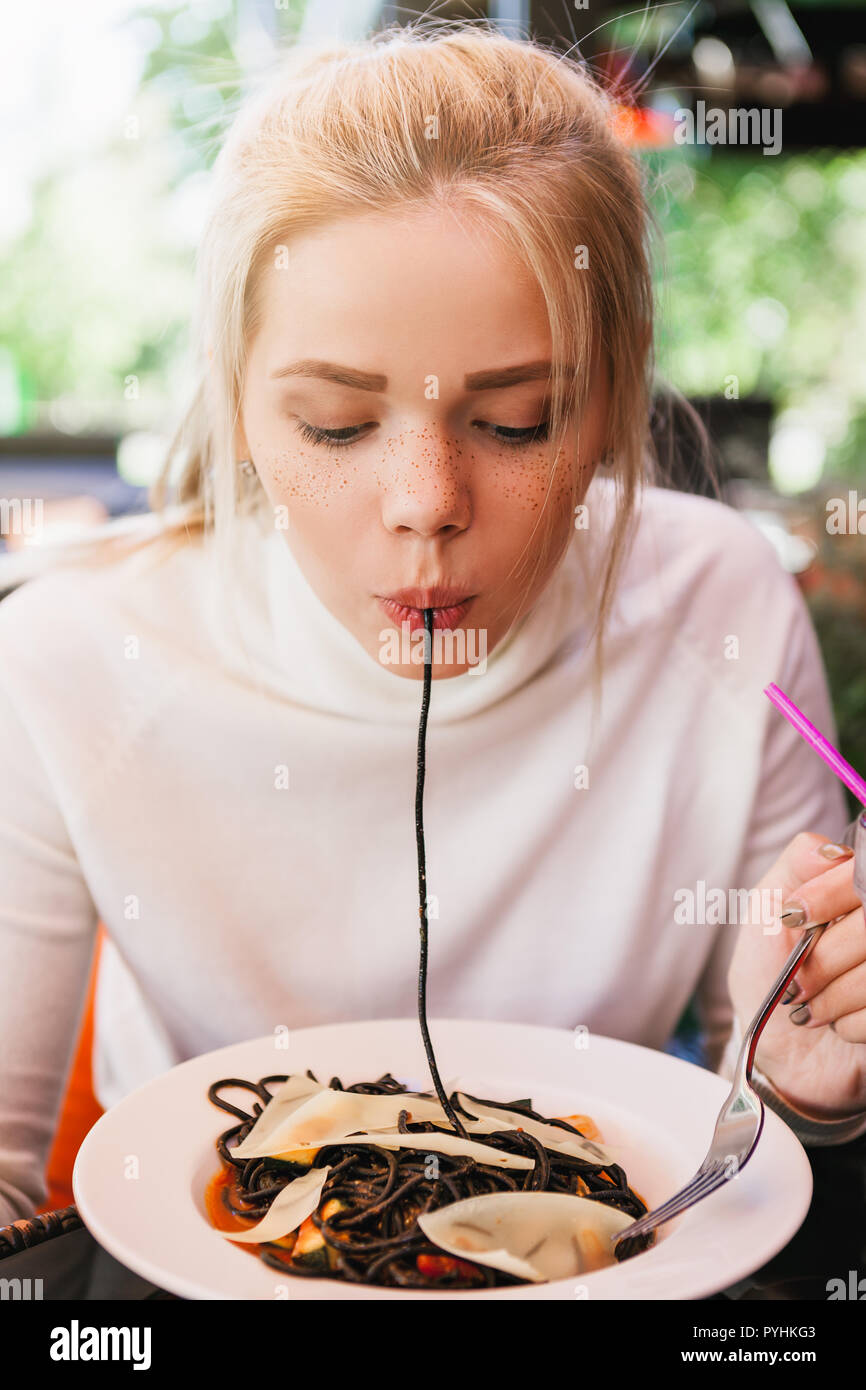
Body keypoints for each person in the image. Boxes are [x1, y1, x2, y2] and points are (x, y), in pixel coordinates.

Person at [1, 22, 864, 1229]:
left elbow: (748, 1168)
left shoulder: (719, 610)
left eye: (516, 422)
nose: (425, 507)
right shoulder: (72, 660)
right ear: (238, 400)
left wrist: (801, 1084)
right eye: (333, 426)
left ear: (615, 399)